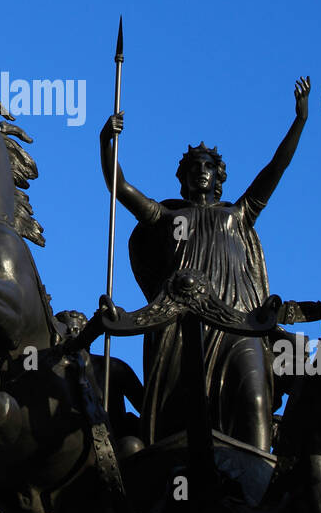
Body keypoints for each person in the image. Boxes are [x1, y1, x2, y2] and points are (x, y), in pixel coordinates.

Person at [99, 77, 310, 452]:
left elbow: (276, 166)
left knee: (253, 397)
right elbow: (121, 187)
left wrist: (300, 119)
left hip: (237, 323)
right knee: (176, 421)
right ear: (182, 177)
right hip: (179, 326)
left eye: (208, 165)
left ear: (219, 176)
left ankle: (257, 476)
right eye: (194, 166)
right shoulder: (166, 216)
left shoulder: (239, 214)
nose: (201, 170)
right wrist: (106, 143)